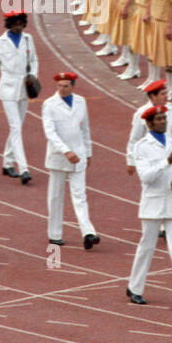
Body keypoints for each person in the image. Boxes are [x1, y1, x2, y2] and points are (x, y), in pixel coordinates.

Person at [126, 105, 172, 312]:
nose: (162, 122)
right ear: (149, 123)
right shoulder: (141, 147)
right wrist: (167, 162)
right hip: (153, 202)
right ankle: (135, 288)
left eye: (163, 118)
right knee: (147, 247)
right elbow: (146, 177)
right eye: (158, 119)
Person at [41, 71, 98, 250]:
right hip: (59, 157)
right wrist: (66, 151)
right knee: (56, 197)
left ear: (73, 86)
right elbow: (50, 132)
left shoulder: (81, 102)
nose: (62, 89)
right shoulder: (49, 104)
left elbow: (85, 129)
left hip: (78, 155)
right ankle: (55, 234)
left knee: (80, 195)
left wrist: (88, 152)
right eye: (59, 85)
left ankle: (88, 232)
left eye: (66, 86)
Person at [0, 9, 36, 184]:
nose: (18, 27)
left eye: (21, 24)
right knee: (16, 127)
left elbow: (34, 60)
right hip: (7, 89)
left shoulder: (28, 39)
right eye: (15, 24)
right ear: (9, 25)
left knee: (17, 126)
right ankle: (24, 168)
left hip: (24, 88)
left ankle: (7, 162)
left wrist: (33, 76)